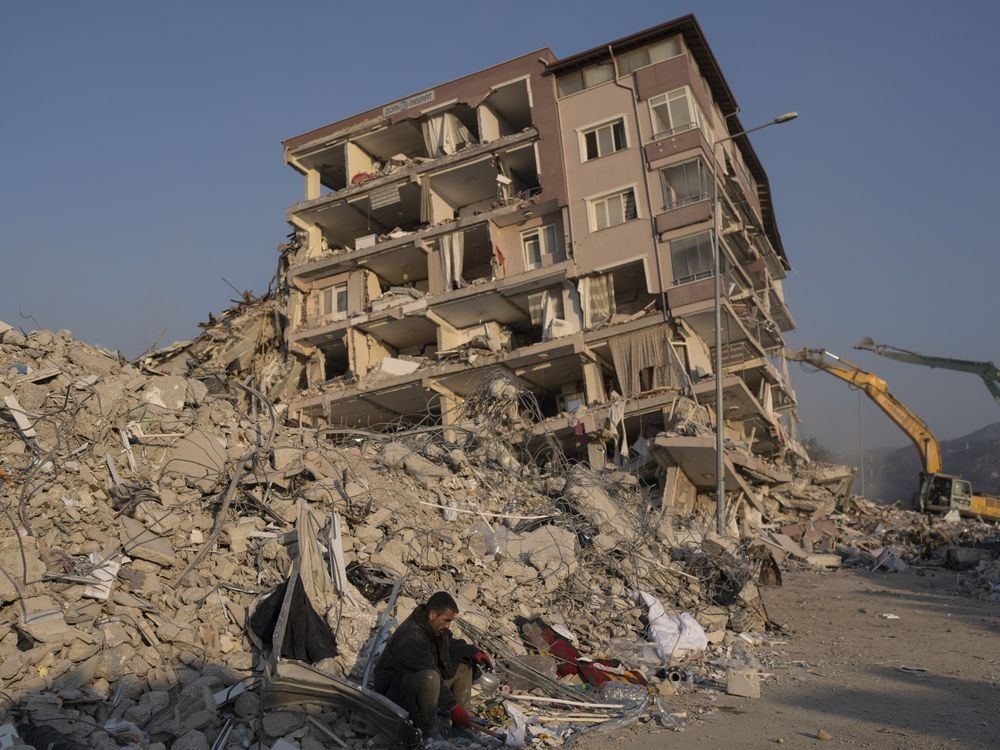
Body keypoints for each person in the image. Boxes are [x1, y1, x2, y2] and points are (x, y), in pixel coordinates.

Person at [374, 591, 492, 740]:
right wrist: (453, 707)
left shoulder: (433, 627)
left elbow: (450, 644)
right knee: (431, 677)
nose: (448, 626)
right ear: (432, 614)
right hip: (394, 692)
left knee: (463, 667)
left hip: (418, 682)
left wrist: (474, 652)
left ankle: (461, 725)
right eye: (446, 620)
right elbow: (428, 671)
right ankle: (430, 732)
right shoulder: (411, 637)